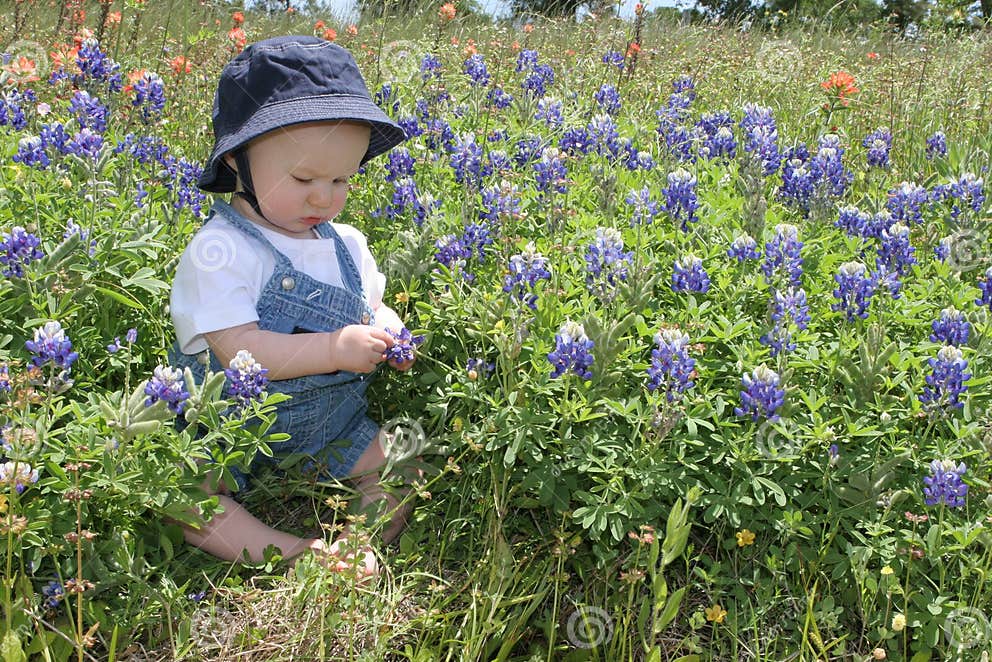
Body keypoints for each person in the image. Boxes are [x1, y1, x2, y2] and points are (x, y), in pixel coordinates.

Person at [168, 35, 414, 578]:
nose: (323, 197)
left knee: (402, 461)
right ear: (238, 159)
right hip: (227, 429)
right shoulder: (220, 251)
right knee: (182, 495)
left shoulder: (346, 242)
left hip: (330, 426)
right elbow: (238, 352)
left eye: (342, 179)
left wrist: (390, 333)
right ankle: (285, 551)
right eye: (303, 178)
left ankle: (356, 546)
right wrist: (332, 347)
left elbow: (374, 307)